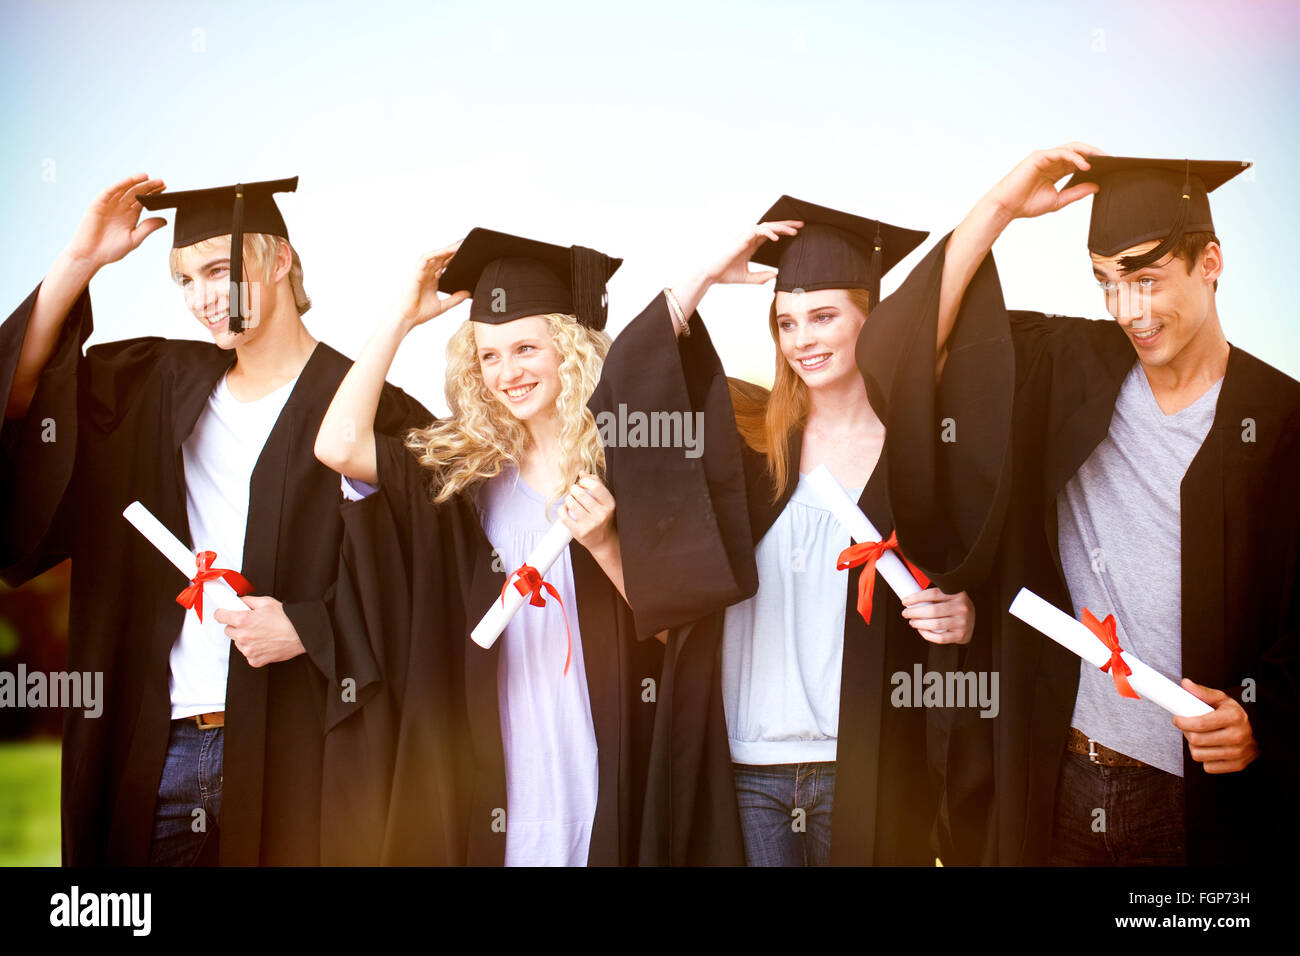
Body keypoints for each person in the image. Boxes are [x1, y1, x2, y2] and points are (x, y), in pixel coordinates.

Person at [872, 145, 1300, 865]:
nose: (1127, 309)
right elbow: (910, 346)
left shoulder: (1282, 418)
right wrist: (1003, 206)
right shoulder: (1069, 367)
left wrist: (1265, 715)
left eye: (1145, 278)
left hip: (1196, 804)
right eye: (1106, 282)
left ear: (1211, 263)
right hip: (1061, 777)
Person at [0, 174, 426, 865]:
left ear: (279, 259)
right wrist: (80, 261)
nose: (201, 297)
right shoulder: (152, 384)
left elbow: (429, 579)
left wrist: (309, 626)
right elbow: (24, 392)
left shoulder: (373, 411)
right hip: (161, 754)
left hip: (303, 755)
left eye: (218, 270)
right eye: (185, 279)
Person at [620, 197, 995, 866]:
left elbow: (978, 578)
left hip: (869, 765)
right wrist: (704, 273)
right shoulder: (749, 445)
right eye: (787, 323)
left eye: (824, 317)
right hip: (749, 769)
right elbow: (633, 396)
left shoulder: (918, 457)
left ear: (871, 320)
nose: (804, 340)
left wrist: (963, 614)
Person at [314, 228, 674, 865]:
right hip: (498, 741)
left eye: (526, 347)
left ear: (571, 349)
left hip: (602, 739)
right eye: (489, 355)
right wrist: (400, 317)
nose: (508, 372)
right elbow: (338, 446)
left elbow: (682, 631)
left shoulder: (632, 462)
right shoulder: (468, 472)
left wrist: (606, 543)